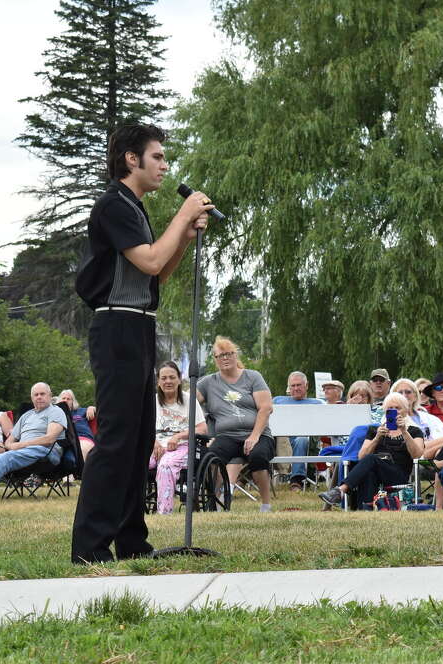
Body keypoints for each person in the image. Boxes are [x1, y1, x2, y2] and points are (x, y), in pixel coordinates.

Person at [70, 122, 212, 564]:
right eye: (158, 158)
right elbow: (150, 259)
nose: (165, 166)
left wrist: (184, 240)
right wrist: (184, 215)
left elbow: (155, 275)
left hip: (139, 325)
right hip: (116, 329)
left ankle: (132, 541)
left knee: (138, 439)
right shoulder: (113, 205)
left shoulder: (134, 207)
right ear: (132, 160)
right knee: (116, 438)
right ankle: (90, 548)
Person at [196, 336, 275, 511]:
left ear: (235, 355)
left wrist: (254, 437)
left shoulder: (253, 377)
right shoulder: (209, 382)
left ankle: (266, 505)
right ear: (215, 360)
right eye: (220, 356)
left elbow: (265, 408)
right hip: (227, 436)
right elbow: (189, 402)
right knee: (211, 457)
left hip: (258, 435)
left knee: (258, 457)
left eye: (228, 354)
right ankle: (215, 502)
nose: (225, 358)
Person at [320, 394, 424, 509]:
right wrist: (376, 438)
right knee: (369, 472)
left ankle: (341, 490)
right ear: (384, 410)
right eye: (390, 408)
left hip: (398, 475)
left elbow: (417, 454)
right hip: (376, 472)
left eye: (398, 408)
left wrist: (404, 432)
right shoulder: (375, 430)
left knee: (371, 459)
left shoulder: (414, 431)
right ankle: (365, 509)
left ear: (406, 410)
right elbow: (361, 456)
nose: (394, 411)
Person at [152, 360, 207, 514]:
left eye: (171, 377)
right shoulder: (152, 401)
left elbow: (202, 428)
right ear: (158, 381)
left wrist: (178, 437)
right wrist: (153, 442)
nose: (168, 381)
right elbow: (142, 428)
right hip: (156, 446)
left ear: (179, 379)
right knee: (132, 463)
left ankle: (164, 513)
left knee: (165, 466)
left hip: (183, 447)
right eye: (163, 378)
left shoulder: (189, 400)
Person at [272, 371, 324, 488]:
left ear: (306, 385)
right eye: (293, 386)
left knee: (302, 439)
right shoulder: (277, 401)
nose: (295, 388)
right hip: (280, 440)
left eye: (299, 385)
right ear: (289, 387)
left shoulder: (318, 403)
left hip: (306, 440)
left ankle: (297, 480)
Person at [391, 378, 443, 458]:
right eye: (400, 393)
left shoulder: (427, 417)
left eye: (408, 392)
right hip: (411, 455)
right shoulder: (391, 417)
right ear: (393, 397)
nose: (404, 395)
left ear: (415, 396)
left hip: (433, 453)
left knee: (441, 452)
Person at [56, 389, 97, 461]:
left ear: (72, 402)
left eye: (68, 399)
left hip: (83, 438)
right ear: (59, 400)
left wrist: (92, 408)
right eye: (63, 398)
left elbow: (101, 411)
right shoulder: (55, 415)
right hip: (66, 442)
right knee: (68, 459)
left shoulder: (81, 411)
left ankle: (81, 471)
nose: (65, 400)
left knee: (80, 452)